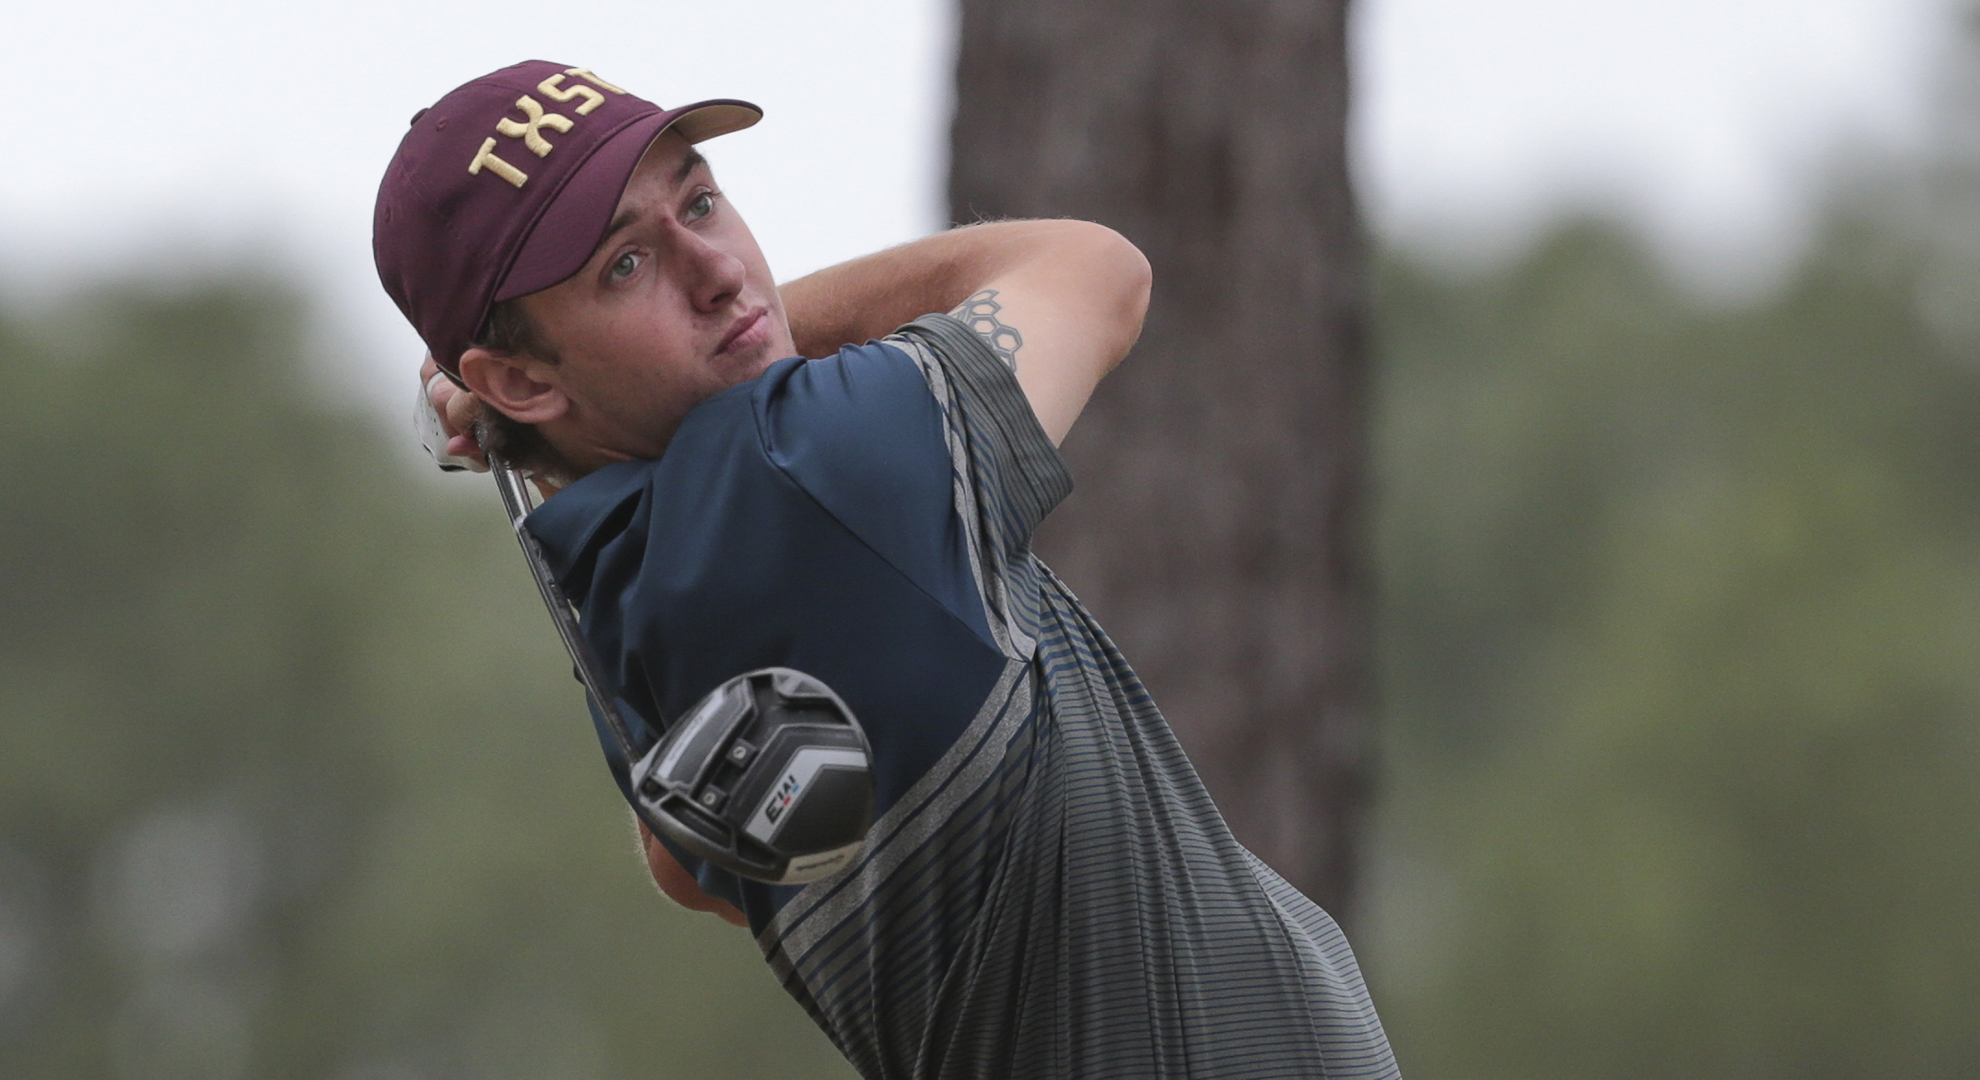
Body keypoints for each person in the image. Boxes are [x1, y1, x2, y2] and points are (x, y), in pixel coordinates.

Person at [376, 60, 1400, 1079]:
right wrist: (761, 334)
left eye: (700, 200)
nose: (721, 271)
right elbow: (1095, 271)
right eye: (626, 267)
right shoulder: (814, 462)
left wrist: (539, 433)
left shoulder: (619, 585)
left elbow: (693, 870)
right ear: (513, 377)